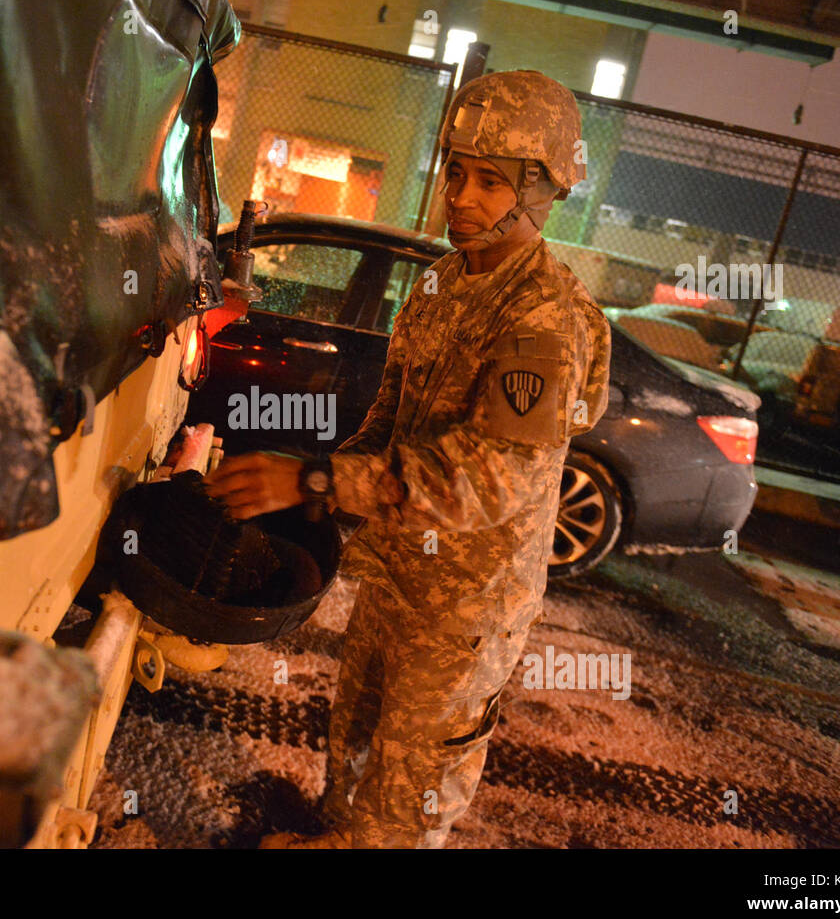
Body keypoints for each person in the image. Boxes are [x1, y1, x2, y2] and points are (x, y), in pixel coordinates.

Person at [203, 70, 611, 848]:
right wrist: (304, 487)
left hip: (463, 612)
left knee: (406, 796)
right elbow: (386, 429)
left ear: (544, 190)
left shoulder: (546, 322)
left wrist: (316, 479)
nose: (460, 195)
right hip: (395, 576)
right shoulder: (437, 286)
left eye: (491, 181)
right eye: (455, 172)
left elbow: (485, 480)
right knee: (351, 753)